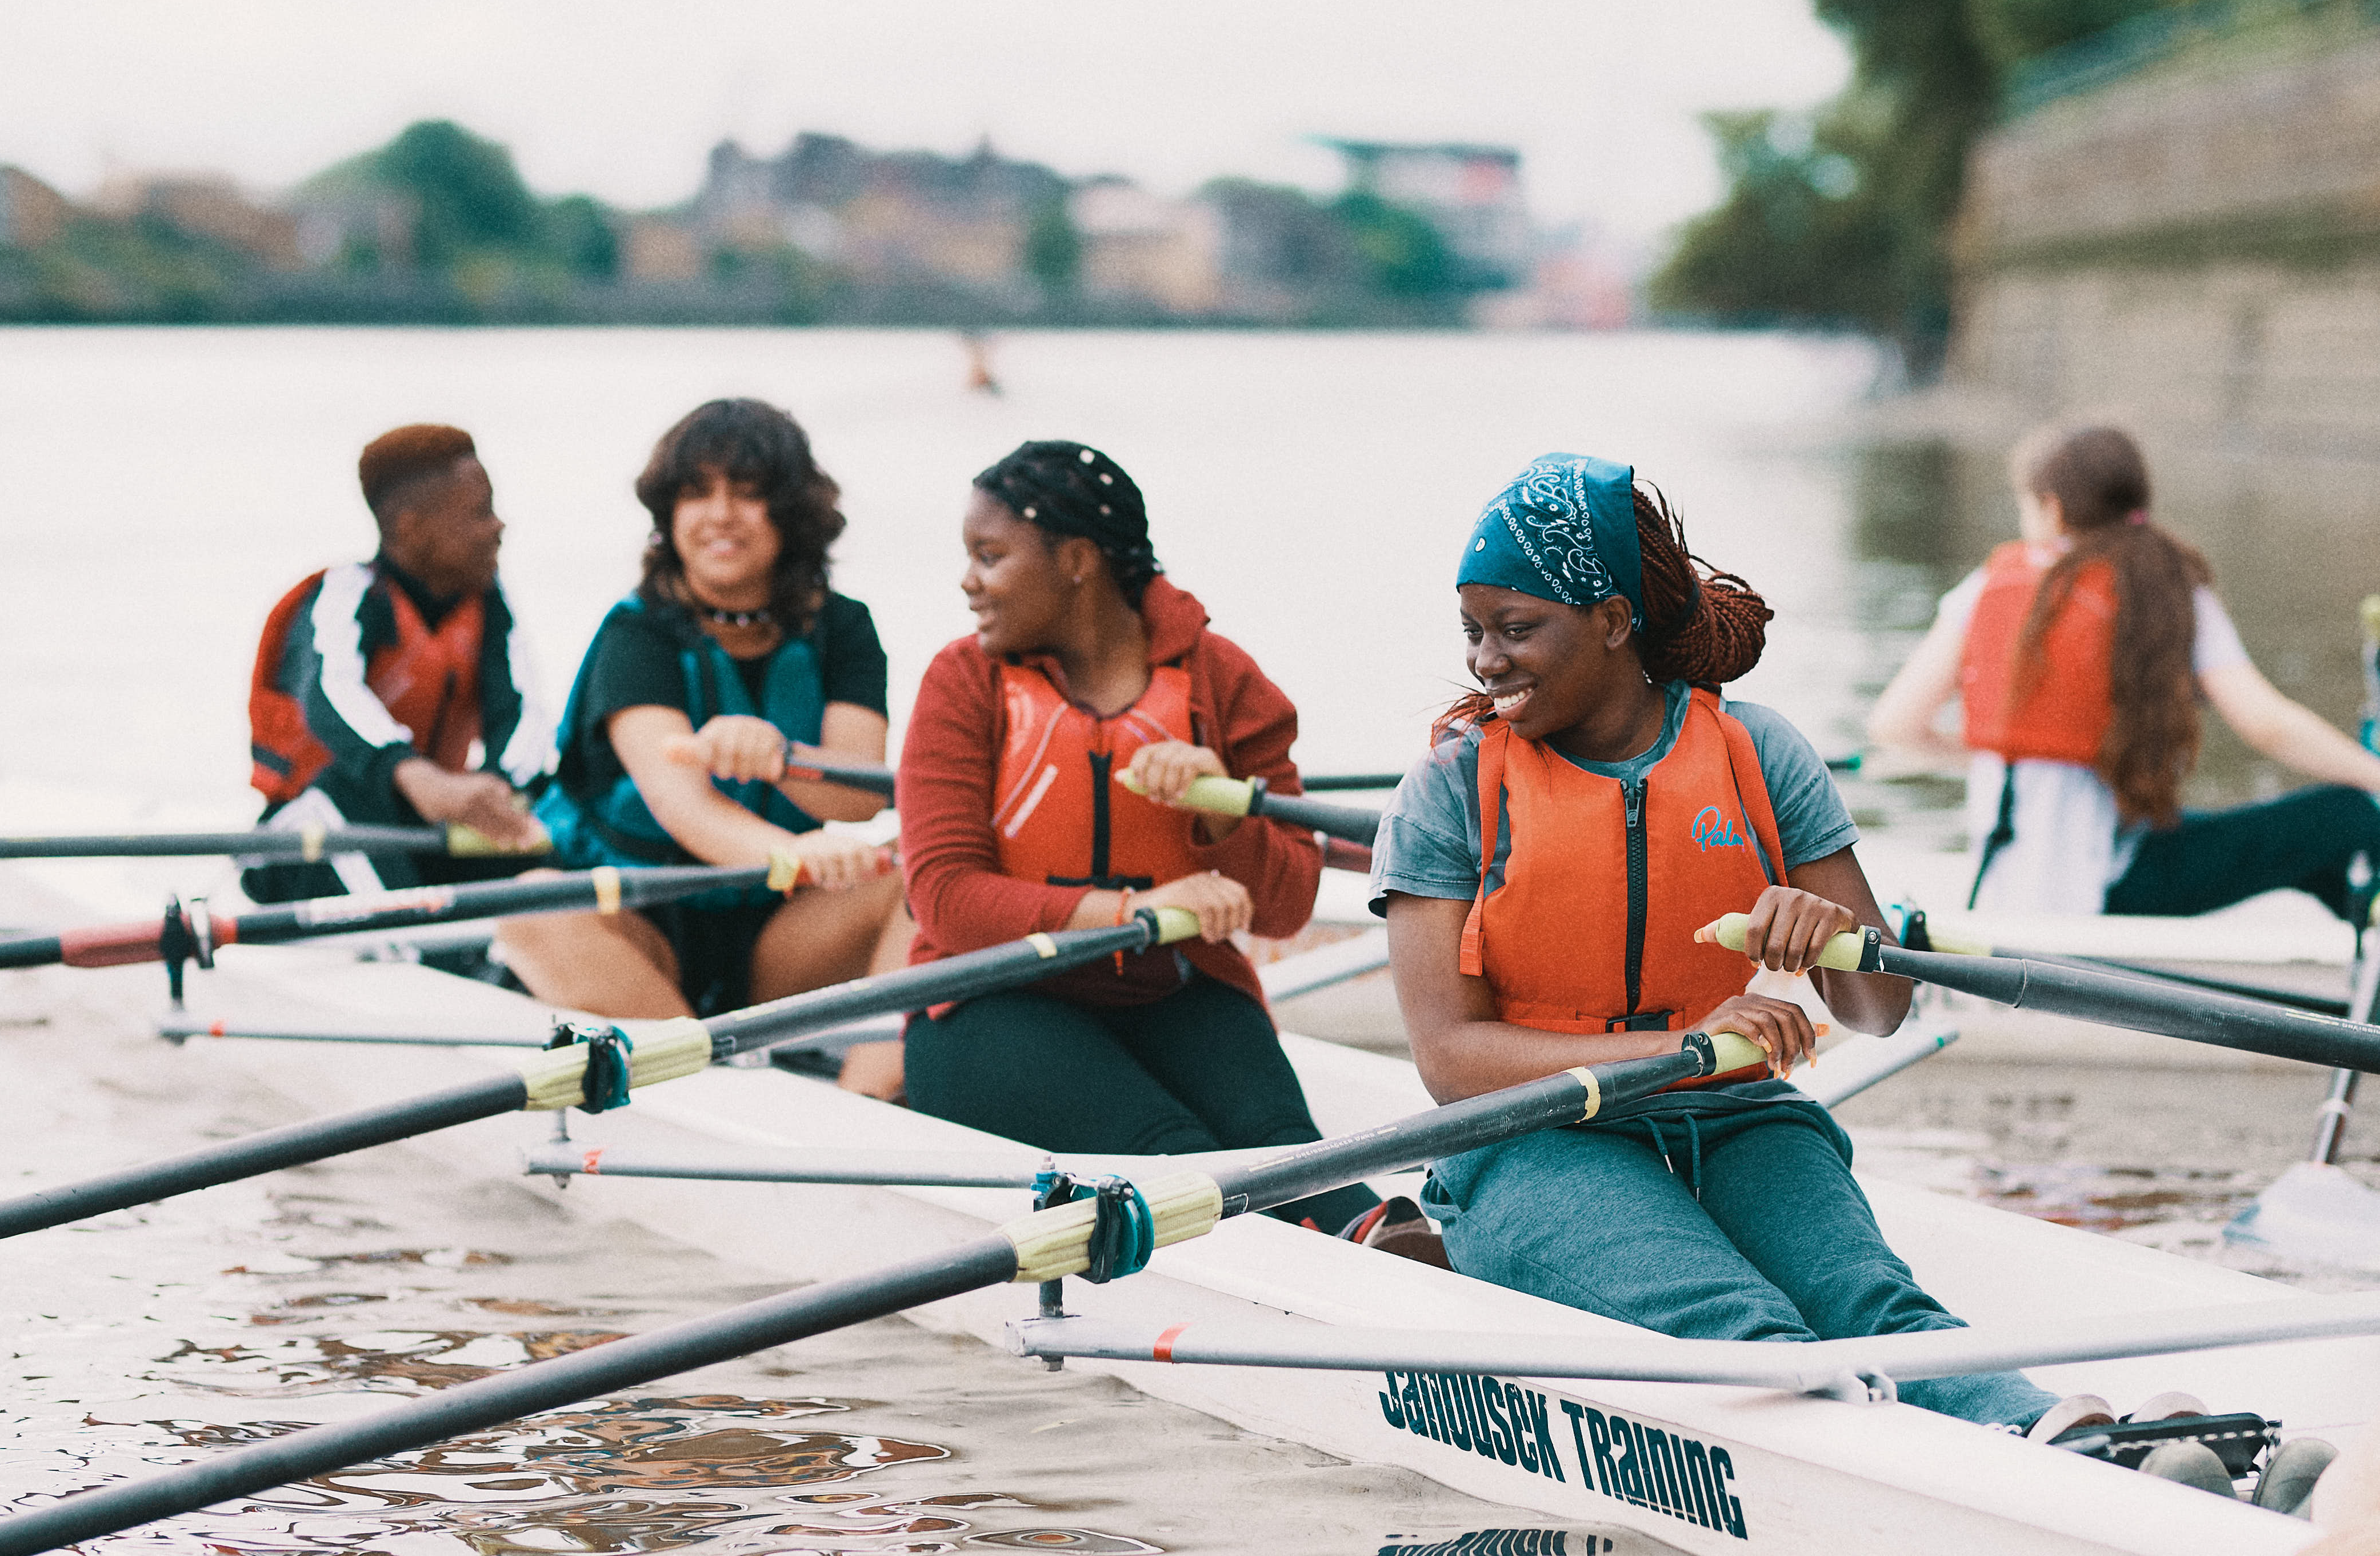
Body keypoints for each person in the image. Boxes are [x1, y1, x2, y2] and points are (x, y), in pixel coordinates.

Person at [1375, 451, 2118, 1441]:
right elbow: (1448, 1062)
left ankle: (2076, 1443)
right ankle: (1933, 1473)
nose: (1486, 660)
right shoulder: (1450, 788)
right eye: (1474, 630)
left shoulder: (1757, 750)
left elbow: (1878, 1008)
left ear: (1611, 619)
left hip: (1735, 1116)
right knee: (1743, 1331)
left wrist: (1836, 946)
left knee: (1876, 1307)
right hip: (1532, 1139)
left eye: (1517, 629)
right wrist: (1677, 1044)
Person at [895, 440, 1401, 1246]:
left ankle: (1407, 1265)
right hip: (991, 1007)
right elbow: (949, 902)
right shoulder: (965, 683)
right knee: (1174, 1158)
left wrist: (1224, 816)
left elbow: (1284, 904)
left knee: (1289, 1154)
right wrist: (1136, 906)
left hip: (1177, 987)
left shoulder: (1222, 680)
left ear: (1077, 559)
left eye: (990, 557)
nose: (968, 582)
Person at [499, 399, 911, 1092]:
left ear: (792, 513)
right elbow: (681, 805)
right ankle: (699, 1090)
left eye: (748, 494)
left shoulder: (844, 628)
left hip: (777, 935)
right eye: (697, 493)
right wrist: (791, 851)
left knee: (924, 872)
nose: (721, 514)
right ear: (668, 515)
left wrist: (780, 756)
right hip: (641, 924)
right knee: (528, 906)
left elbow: (852, 792)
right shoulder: (637, 636)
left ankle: (866, 1100)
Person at [1868, 422, 2380, 919]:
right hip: (2105, 890)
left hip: (2001, 887)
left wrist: (1992, 754)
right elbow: (2268, 724)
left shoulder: (1987, 587)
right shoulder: (2167, 591)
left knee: (2302, 854)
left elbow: (1895, 725)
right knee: (2348, 815)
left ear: (2052, 508)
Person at [244, 423, 550, 903]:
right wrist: (413, 775)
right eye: (479, 512)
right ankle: (436, 958)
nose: (499, 526)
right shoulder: (345, 595)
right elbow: (330, 693)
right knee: (343, 796)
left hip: (422, 827)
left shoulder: (488, 604)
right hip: (305, 830)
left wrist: (498, 788)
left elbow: (522, 714)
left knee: (546, 831)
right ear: (412, 527)